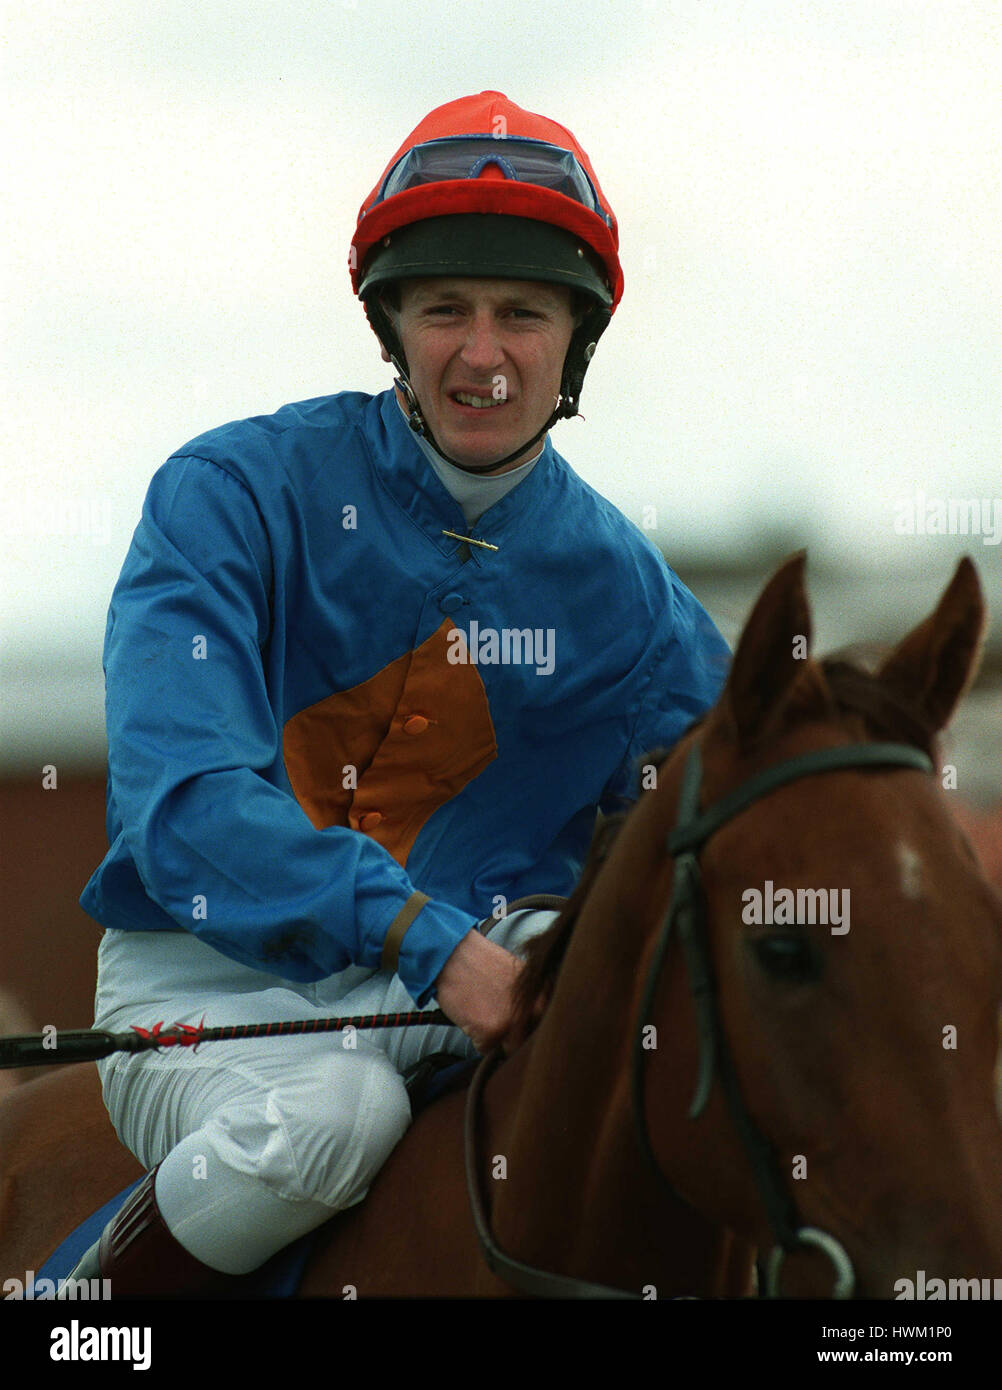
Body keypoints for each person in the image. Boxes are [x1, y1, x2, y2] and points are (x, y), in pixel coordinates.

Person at [68, 90, 730, 1295]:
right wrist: (428, 941)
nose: (481, 353)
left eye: (521, 313)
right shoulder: (227, 497)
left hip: (486, 969)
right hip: (211, 984)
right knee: (338, 1113)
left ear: (574, 340)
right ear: (391, 330)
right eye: (444, 310)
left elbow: (741, 825)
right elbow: (181, 806)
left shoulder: (640, 606)